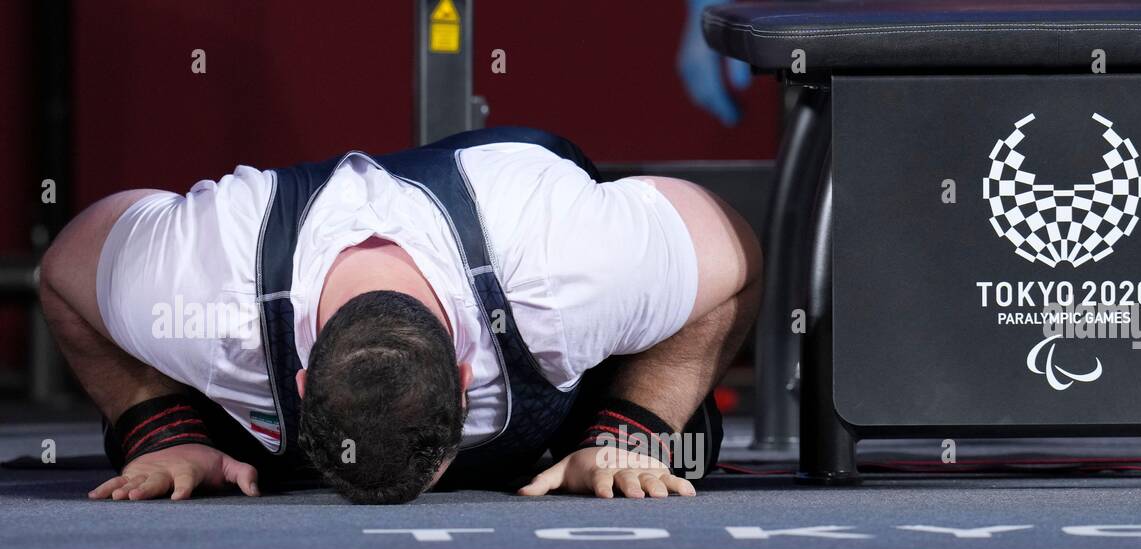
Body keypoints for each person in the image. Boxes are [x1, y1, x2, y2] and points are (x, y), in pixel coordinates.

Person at [37, 127, 760, 503]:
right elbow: (63, 275)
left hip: (505, 186)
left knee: (681, 435)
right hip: (284, 257)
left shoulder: (563, 272)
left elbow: (736, 255)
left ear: (469, 371)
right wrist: (160, 431)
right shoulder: (205, 287)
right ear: (294, 380)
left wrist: (628, 435)